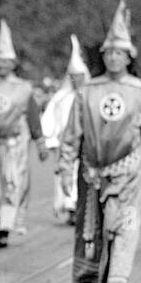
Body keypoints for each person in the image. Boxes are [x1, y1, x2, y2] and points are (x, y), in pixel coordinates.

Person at [58, 0, 141, 283]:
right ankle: (102, 281)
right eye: (109, 53)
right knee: (97, 228)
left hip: (129, 171)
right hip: (92, 172)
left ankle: (119, 279)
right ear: (103, 56)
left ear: (129, 57)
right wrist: (65, 168)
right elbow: (71, 134)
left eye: (120, 53)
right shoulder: (87, 91)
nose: (114, 58)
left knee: (126, 223)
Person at [0, 20, 50, 246]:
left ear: (13, 63)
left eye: (6, 61)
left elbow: (34, 118)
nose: (1, 64)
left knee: (12, 186)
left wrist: (41, 144)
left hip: (15, 147)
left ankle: (4, 228)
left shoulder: (24, 89)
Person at [41, 36, 90, 224]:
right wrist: (50, 140)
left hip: (85, 143)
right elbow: (50, 119)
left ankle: (80, 208)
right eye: (74, 77)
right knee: (65, 172)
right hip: (65, 143)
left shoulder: (88, 96)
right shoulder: (60, 98)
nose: (77, 80)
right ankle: (69, 208)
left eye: (80, 76)